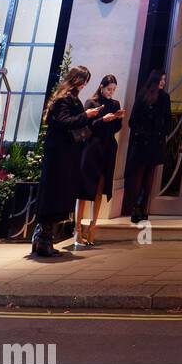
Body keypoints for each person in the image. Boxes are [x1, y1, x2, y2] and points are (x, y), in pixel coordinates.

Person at [30, 66, 97, 260]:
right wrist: (87, 115)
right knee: (54, 194)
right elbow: (63, 121)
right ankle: (44, 240)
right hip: (60, 155)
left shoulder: (66, 97)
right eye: (84, 81)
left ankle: (43, 239)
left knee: (56, 194)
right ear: (76, 79)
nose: (85, 85)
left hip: (63, 153)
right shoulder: (65, 99)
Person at [76, 75, 124, 247]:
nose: (111, 92)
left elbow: (117, 128)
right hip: (92, 148)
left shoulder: (115, 104)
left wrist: (117, 118)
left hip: (108, 147)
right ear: (102, 87)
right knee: (84, 188)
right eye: (109, 89)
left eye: (113, 90)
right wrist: (102, 119)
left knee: (100, 188)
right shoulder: (91, 103)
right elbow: (85, 127)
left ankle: (93, 227)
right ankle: (77, 229)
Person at [121, 69, 172, 224]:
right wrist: (140, 133)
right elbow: (133, 120)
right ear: (155, 80)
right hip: (142, 142)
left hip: (155, 142)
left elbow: (168, 120)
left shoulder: (164, 97)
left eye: (164, 79)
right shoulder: (143, 96)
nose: (163, 82)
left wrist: (161, 133)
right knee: (139, 174)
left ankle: (143, 207)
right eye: (161, 79)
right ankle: (135, 207)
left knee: (149, 175)